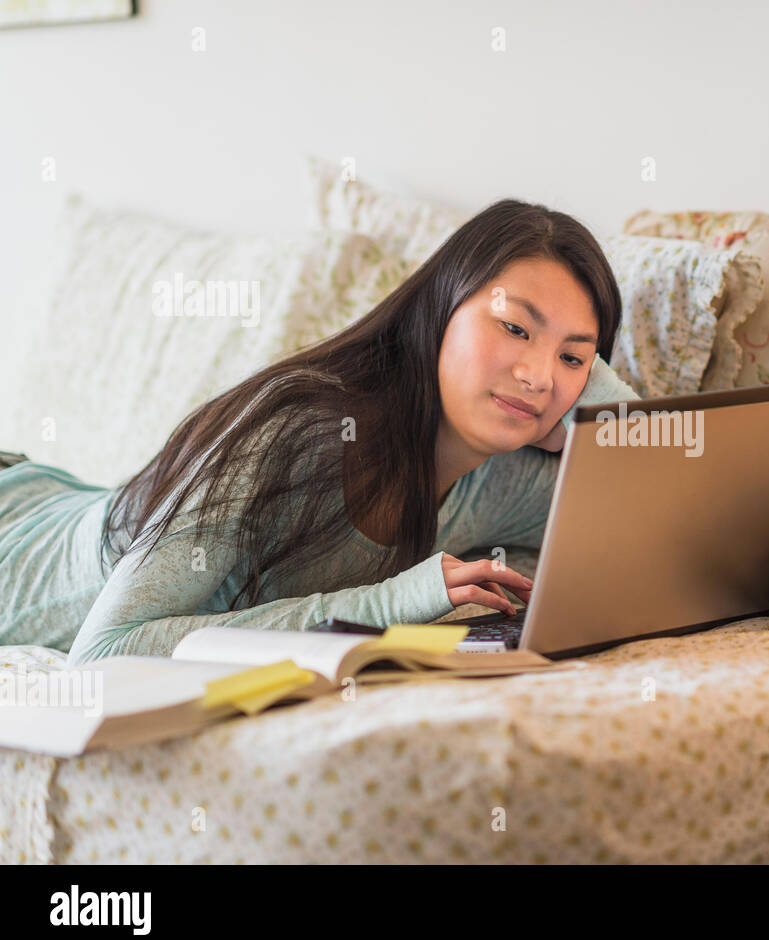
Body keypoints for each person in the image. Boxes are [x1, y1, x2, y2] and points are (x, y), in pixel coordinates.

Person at [0, 198, 639, 665]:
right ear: (439, 309)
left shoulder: (507, 475)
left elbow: (650, 497)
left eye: (573, 357)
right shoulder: (293, 435)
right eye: (516, 328)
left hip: (66, 497)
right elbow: (106, 651)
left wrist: (594, 404)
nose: (536, 376)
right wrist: (395, 602)